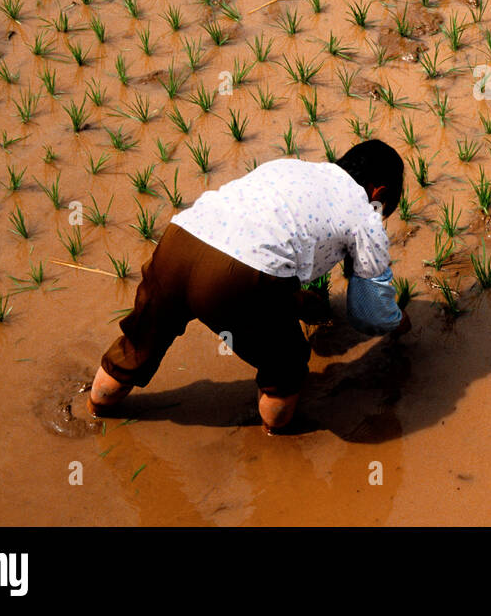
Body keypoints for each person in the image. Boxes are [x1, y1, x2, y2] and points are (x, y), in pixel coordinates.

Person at [87, 140, 408, 433]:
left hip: (179, 242)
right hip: (240, 276)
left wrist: (302, 304)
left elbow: (262, 232)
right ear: (378, 193)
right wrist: (399, 322)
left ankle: (97, 407)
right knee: (286, 364)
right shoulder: (365, 216)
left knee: (140, 341)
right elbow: (369, 313)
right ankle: (277, 434)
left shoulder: (292, 167)